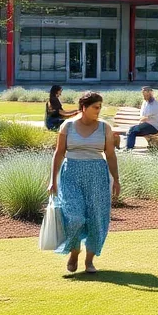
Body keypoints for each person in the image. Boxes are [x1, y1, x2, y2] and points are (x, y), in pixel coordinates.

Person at [47, 91, 120, 275]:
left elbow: (110, 155)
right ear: (84, 108)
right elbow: (59, 153)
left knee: (97, 219)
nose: (99, 110)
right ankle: (74, 251)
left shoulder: (105, 128)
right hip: (71, 174)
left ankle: (89, 261)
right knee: (74, 216)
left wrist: (116, 179)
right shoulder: (68, 126)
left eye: (100, 107)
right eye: (96, 107)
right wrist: (52, 180)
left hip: (97, 176)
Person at [123, 86, 158, 151]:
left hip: (154, 127)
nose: (144, 95)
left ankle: (129, 148)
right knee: (132, 130)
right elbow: (142, 115)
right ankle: (129, 148)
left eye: (146, 93)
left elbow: (148, 115)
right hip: (145, 125)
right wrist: (144, 118)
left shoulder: (157, 104)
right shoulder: (145, 103)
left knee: (133, 130)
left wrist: (145, 118)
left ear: (150, 93)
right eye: (143, 94)